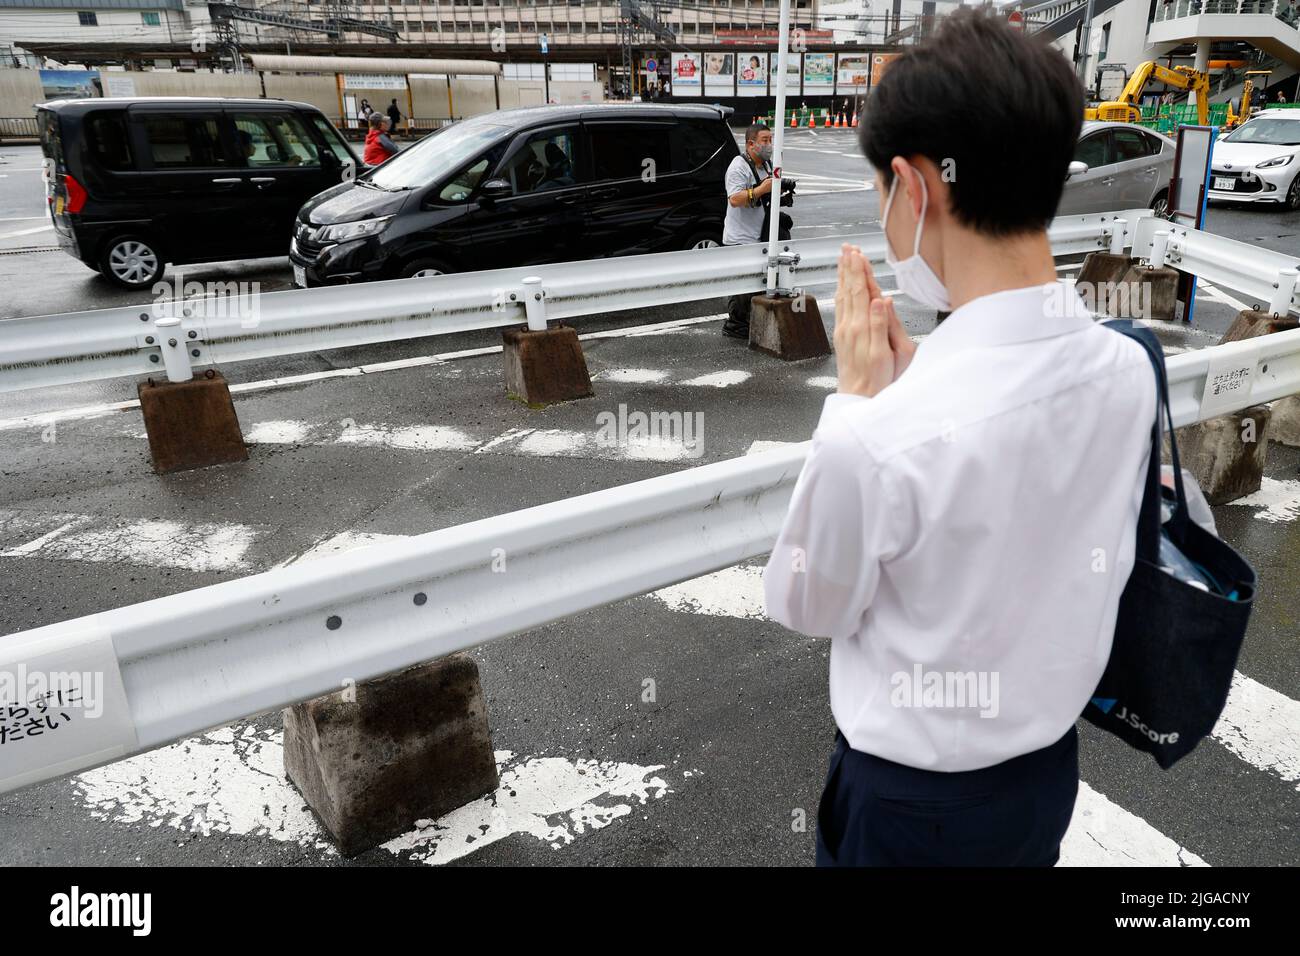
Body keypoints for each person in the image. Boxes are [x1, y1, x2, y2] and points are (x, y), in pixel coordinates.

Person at [762, 8, 1156, 867]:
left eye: (879, 193)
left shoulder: (878, 435)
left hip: (909, 806)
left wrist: (860, 408)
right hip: (1044, 777)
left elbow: (804, 603)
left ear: (915, 187)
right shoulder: (1129, 371)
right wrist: (910, 393)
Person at [720, 123, 778, 339]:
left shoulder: (768, 165)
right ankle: (735, 326)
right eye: (764, 140)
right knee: (743, 288)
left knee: (758, 283)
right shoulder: (738, 166)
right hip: (739, 238)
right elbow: (734, 199)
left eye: (770, 140)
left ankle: (752, 324)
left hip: (759, 236)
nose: (769, 144)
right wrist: (762, 189)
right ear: (751, 144)